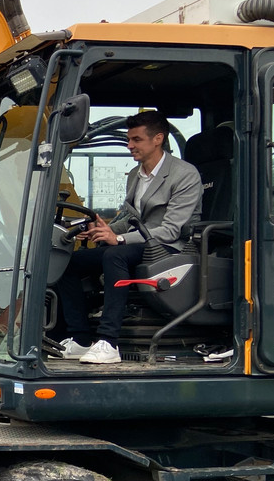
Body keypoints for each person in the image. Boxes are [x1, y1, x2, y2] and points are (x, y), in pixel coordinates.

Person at [55, 110, 203, 364]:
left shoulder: (185, 174)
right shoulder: (136, 174)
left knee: (115, 255)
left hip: (170, 247)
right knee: (69, 263)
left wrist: (119, 239)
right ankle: (80, 339)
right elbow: (130, 218)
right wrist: (106, 229)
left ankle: (109, 342)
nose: (129, 145)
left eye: (136, 140)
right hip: (140, 242)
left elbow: (171, 231)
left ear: (158, 139)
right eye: (129, 139)